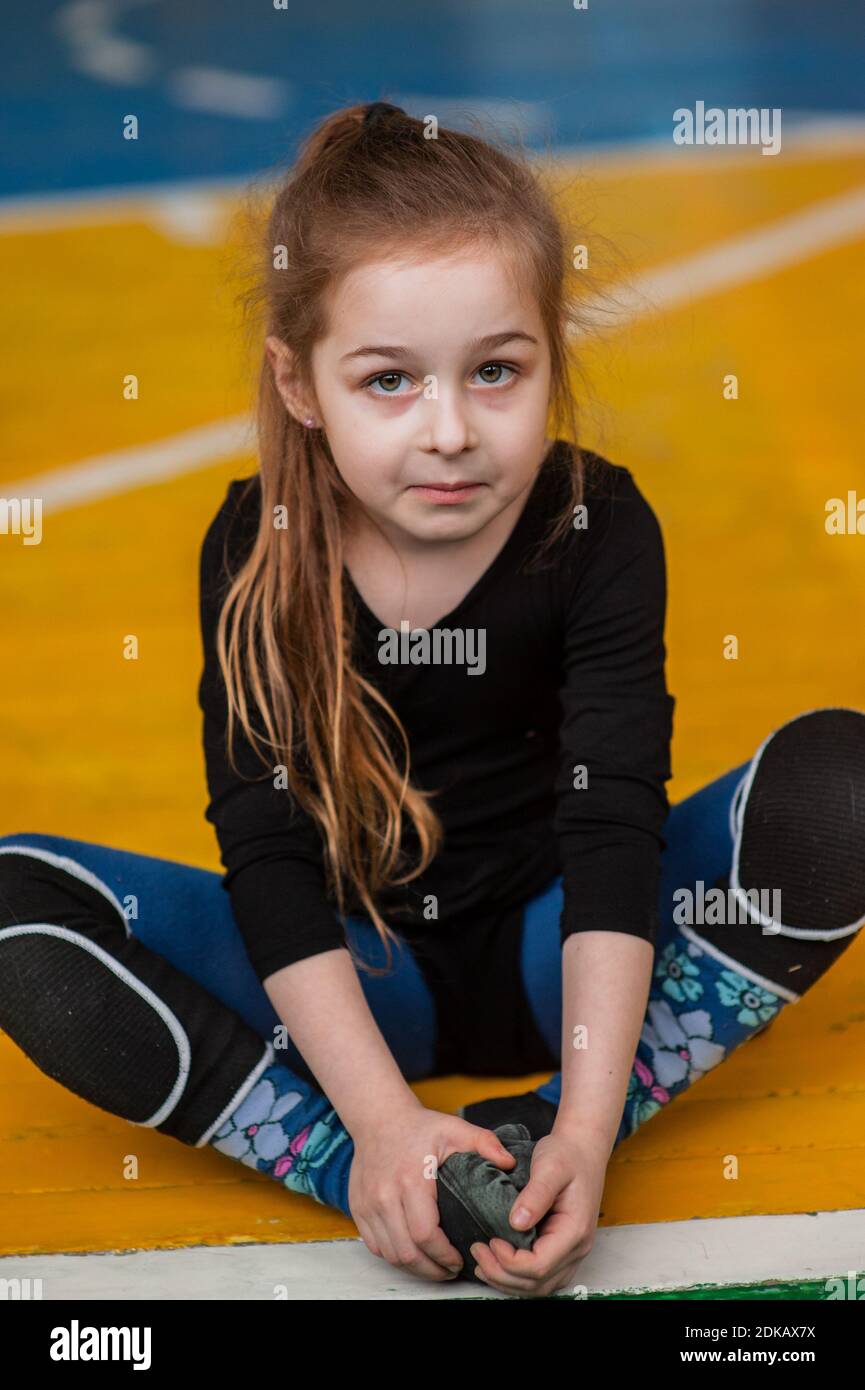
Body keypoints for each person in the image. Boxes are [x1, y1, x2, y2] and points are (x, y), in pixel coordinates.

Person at [2, 100, 864, 1299]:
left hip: (554, 955)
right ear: (300, 385)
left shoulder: (595, 523)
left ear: (553, 356)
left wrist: (583, 1130)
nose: (450, 431)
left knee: (844, 785)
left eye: (496, 371)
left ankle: (550, 1131)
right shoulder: (257, 543)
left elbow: (613, 827)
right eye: (389, 381)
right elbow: (268, 856)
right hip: (361, 986)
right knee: (21, 912)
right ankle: (363, 1169)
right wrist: (382, 1129)